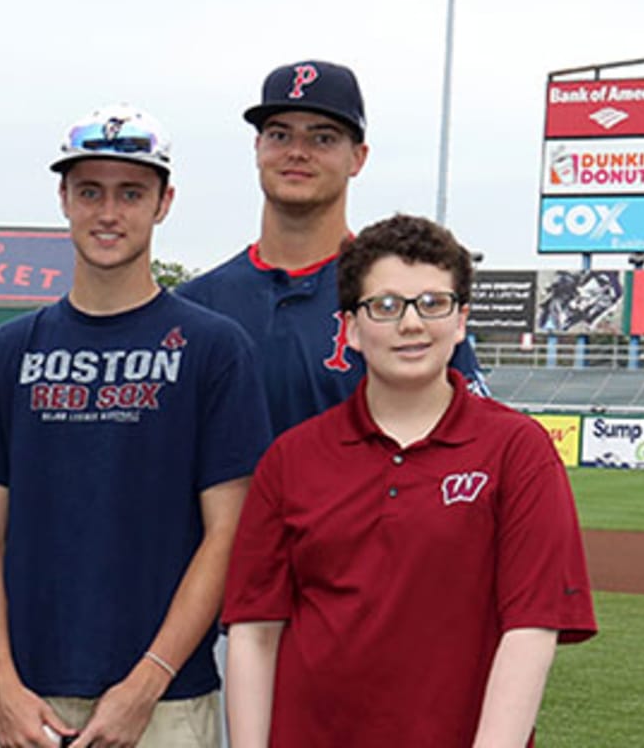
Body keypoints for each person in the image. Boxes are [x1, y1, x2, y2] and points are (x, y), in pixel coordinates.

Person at [0, 105, 271, 747]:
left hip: (165, 701)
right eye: (89, 191)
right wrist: (2, 685)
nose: (108, 212)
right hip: (26, 702)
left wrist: (145, 683)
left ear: (164, 202)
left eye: (131, 193)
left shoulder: (213, 350)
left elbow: (227, 533)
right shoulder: (6, 353)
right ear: (63, 198)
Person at [223, 215, 596, 748]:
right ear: (351, 326)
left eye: (433, 303)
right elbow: (255, 632)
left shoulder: (519, 451)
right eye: (386, 305)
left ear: (462, 319)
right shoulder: (291, 459)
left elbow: (532, 629)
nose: (412, 324)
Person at [178, 60, 484, 440]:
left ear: (358, 157)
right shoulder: (196, 304)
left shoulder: (406, 302)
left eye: (323, 138)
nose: (297, 152)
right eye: (279, 135)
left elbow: (476, 442)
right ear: (258, 148)